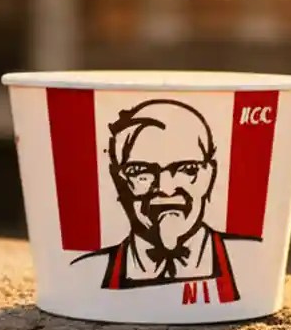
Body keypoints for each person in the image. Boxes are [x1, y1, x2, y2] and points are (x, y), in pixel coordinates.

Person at [72, 99, 254, 300]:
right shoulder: (86, 271)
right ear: (118, 179)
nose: (166, 190)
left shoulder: (250, 262)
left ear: (209, 175)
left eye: (187, 169)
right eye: (141, 171)